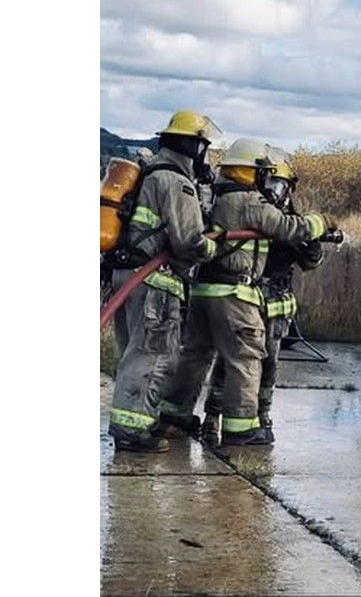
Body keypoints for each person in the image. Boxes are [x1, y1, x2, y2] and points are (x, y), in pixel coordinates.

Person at [159, 139, 338, 446]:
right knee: (245, 360)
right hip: (234, 293)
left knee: (195, 356)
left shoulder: (212, 194)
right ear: (249, 172)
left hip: (202, 291)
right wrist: (321, 223)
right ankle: (240, 428)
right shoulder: (249, 201)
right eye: (263, 173)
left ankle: (175, 414)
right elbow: (289, 228)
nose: (266, 181)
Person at [108, 110, 221, 453]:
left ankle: (138, 421)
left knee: (135, 353)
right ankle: (132, 433)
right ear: (193, 146)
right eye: (203, 147)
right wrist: (214, 244)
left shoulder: (151, 171)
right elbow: (189, 241)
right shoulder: (176, 182)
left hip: (129, 276)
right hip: (154, 282)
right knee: (152, 356)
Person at [200, 156, 326, 444]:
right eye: (272, 183)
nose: (276, 191)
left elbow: (311, 260)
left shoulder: (288, 220)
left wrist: (313, 245)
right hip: (247, 300)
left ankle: (261, 417)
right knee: (231, 364)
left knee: (268, 367)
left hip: (277, 305)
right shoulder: (255, 211)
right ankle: (213, 418)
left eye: (281, 186)